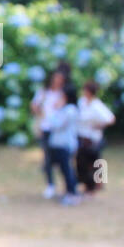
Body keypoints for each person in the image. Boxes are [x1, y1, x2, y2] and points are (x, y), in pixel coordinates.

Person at [41, 83, 81, 205]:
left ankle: (72, 193)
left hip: (65, 145)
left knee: (67, 169)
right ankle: (68, 191)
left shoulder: (70, 110)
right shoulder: (64, 110)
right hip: (57, 144)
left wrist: (54, 110)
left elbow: (56, 124)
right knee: (60, 169)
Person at [31, 67, 66, 198]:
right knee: (48, 158)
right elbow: (34, 105)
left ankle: (66, 186)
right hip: (46, 128)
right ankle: (50, 185)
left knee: (63, 159)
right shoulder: (44, 92)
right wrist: (41, 115)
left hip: (60, 130)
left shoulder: (63, 93)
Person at [76, 80, 115, 194]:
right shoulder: (81, 102)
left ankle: (95, 184)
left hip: (93, 139)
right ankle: (86, 183)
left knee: (95, 162)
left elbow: (111, 119)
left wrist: (98, 125)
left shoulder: (97, 105)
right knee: (81, 162)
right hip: (82, 137)